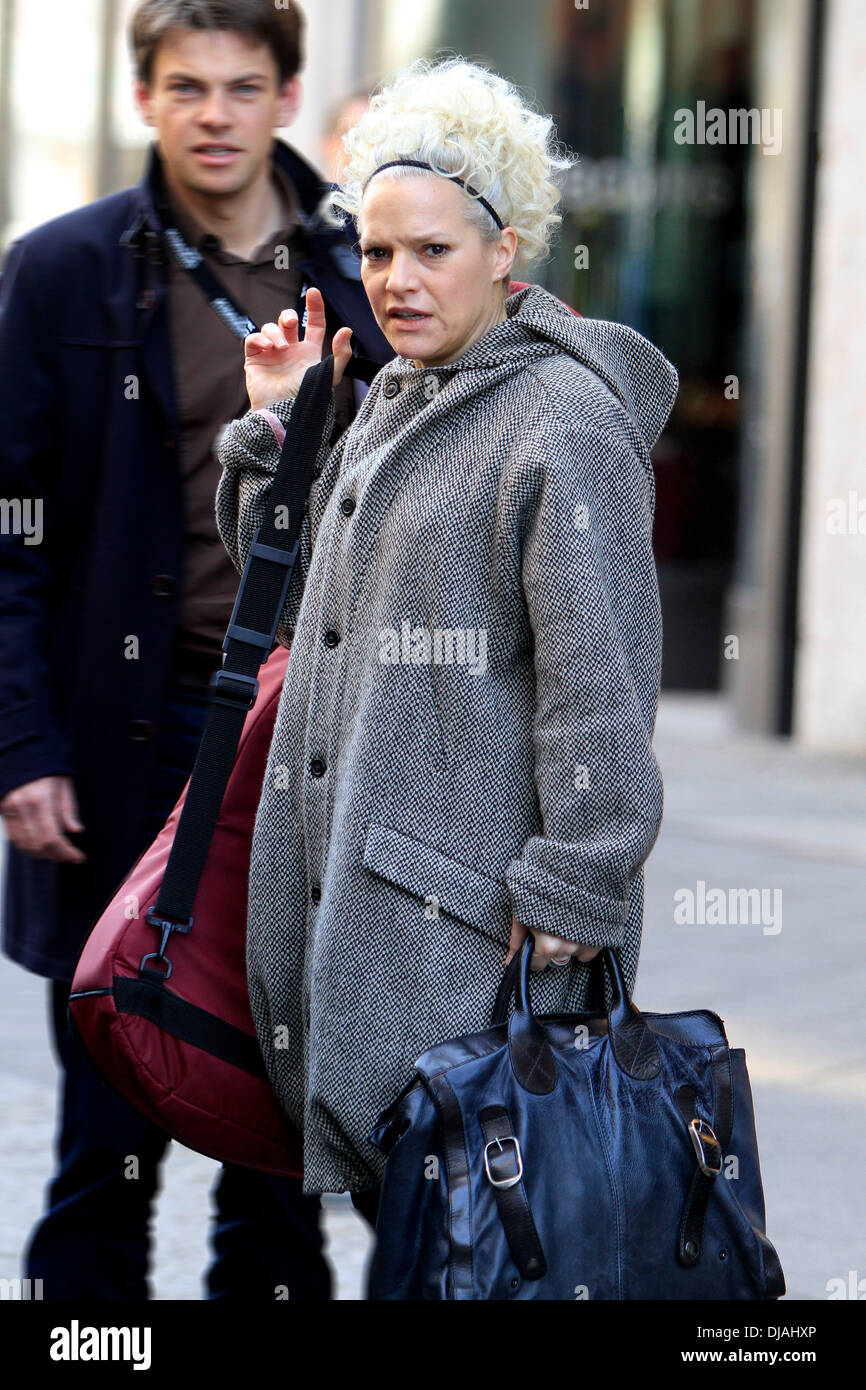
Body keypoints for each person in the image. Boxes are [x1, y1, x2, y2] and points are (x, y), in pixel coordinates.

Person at [216, 54, 678, 1222]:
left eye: (432, 250)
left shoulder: (558, 420)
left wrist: (579, 880)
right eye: (376, 252)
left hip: (464, 941)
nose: (396, 281)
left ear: (504, 247)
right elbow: (303, 591)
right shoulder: (395, 394)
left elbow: (600, 680)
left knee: (484, 1247)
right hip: (363, 913)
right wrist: (280, 418)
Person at [0, 0, 391, 1299]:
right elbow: (9, 531)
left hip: (305, 747)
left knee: (279, 1119)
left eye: (239, 86)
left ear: (285, 96)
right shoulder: (61, 270)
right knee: (108, 1108)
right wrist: (22, 747)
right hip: (125, 738)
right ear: (146, 98)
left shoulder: (369, 262)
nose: (212, 114)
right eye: (186, 87)